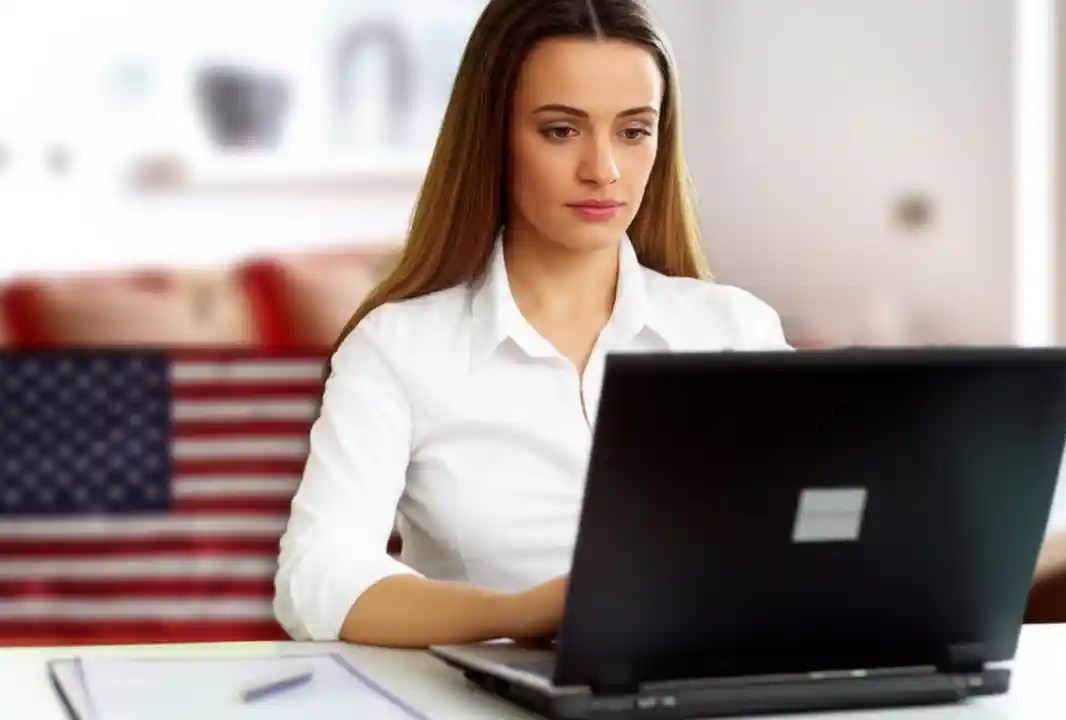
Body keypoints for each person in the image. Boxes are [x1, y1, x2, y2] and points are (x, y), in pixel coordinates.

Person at [273, 0, 790, 649]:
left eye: (633, 132)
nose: (602, 169)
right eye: (560, 130)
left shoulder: (737, 330)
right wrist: (525, 614)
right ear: (493, 136)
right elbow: (314, 579)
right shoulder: (397, 346)